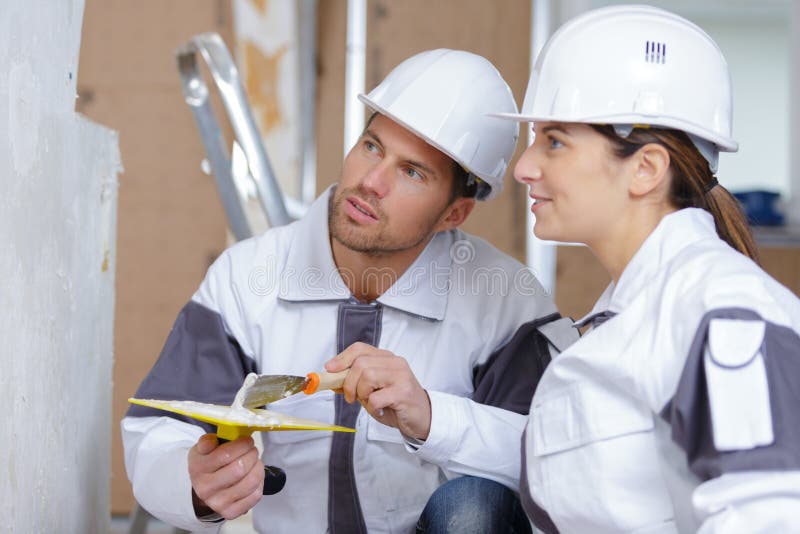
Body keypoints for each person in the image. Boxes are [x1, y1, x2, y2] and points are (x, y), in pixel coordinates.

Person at [122, 48, 577, 533]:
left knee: (474, 507)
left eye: (412, 172)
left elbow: (561, 462)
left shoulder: (505, 301)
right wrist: (193, 482)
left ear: (454, 214)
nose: (370, 182)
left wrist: (432, 418)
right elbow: (157, 429)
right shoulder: (247, 276)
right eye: (372, 146)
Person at [491, 5, 800, 533]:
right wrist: (430, 418)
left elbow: (772, 516)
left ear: (646, 169)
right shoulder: (629, 314)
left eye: (555, 141)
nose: (524, 166)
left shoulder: (726, 313)